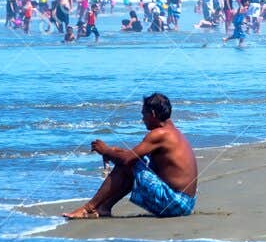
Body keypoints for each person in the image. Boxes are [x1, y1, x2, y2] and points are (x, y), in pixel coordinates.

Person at [64, 93, 198, 219]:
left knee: (129, 164)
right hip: (186, 203)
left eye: (143, 114)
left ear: (152, 114)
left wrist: (105, 151)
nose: (142, 119)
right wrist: (114, 152)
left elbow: (128, 159)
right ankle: (104, 207)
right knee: (134, 162)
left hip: (175, 204)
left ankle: (88, 208)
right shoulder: (173, 133)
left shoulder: (159, 134)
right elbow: (136, 156)